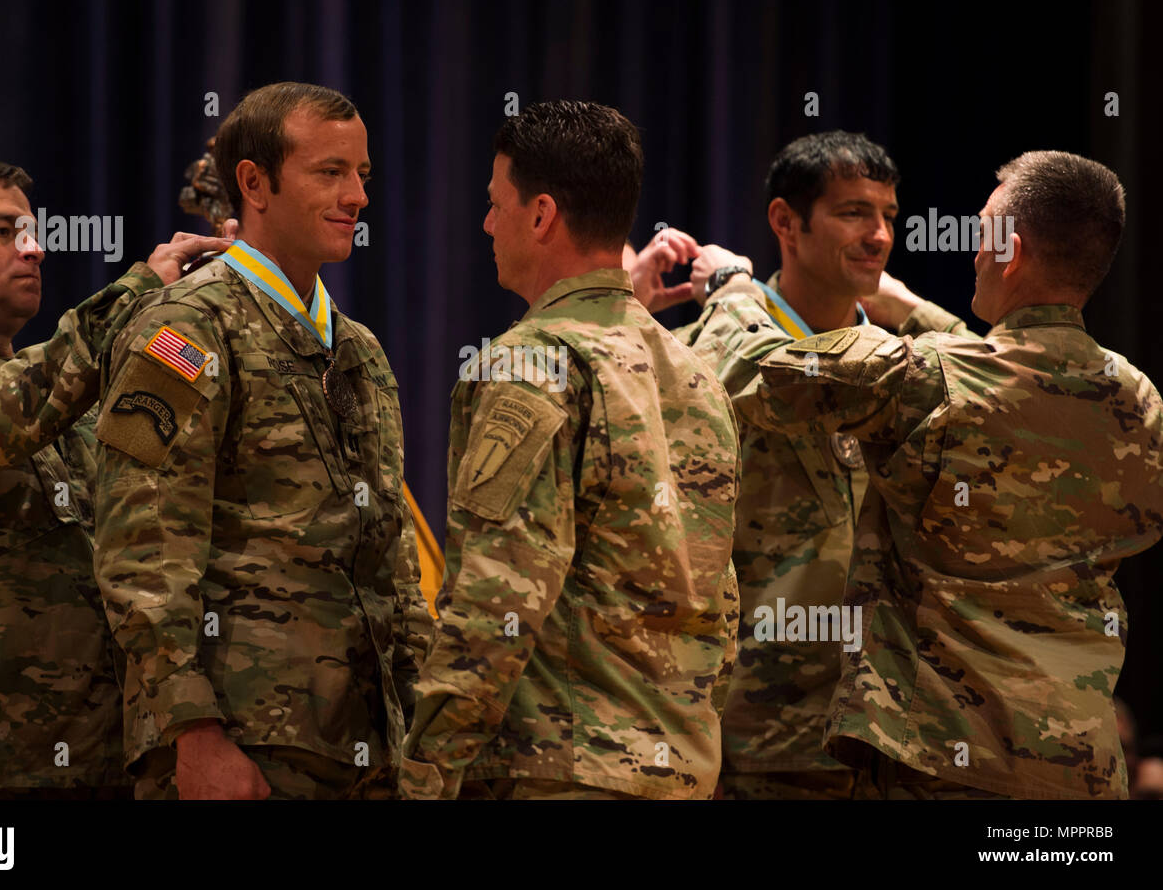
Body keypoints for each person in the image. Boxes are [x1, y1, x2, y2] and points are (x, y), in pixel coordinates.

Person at [706, 150, 1161, 799]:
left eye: (982, 234)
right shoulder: (1138, 399)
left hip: (946, 757)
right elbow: (1004, 374)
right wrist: (914, 307)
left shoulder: (925, 379)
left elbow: (764, 372)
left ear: (1010, 252)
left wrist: (731, 290)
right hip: (1078, 763)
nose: (972, 253)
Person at [93, 82, 430, 800]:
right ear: (254, 183)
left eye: (362, 174)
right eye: (330, 172)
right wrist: (192, 732)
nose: (357, 197)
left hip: (367, 747)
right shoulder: (187, 325)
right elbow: (142, 546)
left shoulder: (360, 348)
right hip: (241, 746)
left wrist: (422, 729)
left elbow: (392, 558)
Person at [399, 100, 740, 800]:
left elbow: (497, 597)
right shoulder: (697, 372)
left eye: (496, 204)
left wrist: (425, 771)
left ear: (541, 215)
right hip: (678, 770)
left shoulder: (530, 362)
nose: (487, 223)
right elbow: (722, 601)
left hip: (555, 770)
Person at [0, 155, 222, 797]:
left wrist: (199, 310)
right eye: (3, 231)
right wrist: (137, 294)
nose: (34, 250)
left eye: (33, 233)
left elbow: (163, 483)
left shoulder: (70, 411)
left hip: (101, 767)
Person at [630, 132, 966, 798]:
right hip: (755, 736)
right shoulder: (699, 355)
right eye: (853, 212)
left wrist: (907, 307)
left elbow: (1005, 398)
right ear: (785, 221)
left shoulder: (908, 361)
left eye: (888, 215)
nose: (879, 235)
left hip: (893, 734)